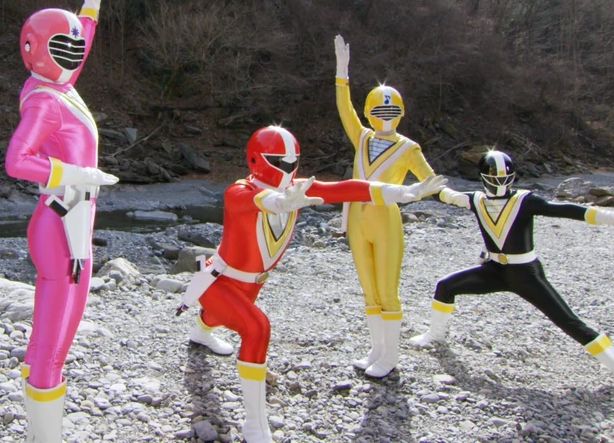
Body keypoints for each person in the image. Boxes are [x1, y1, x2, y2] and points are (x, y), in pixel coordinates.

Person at [178, 125, 446, 443]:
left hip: (251, 284)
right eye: (280, 161)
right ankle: (255, 427)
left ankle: (201, 331)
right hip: (219, 280)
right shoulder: (238, 192)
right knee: (256, 327)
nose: (288, 168)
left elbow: (347, 189)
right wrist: (283, 202)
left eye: (293, 162)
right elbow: (264, 201)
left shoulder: (298, 189)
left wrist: (402, 193)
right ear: (255, 160)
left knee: (218, 316)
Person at [410, 150, 614, 403]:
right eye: (495, 179)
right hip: (495, 270)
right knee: (445, 286)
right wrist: (423, 185)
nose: (500, 184)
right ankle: (435, 334)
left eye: (504, 179)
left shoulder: (524, 200)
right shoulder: (476, 200)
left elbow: (566, 210)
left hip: (526, 274)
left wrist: (612, 216)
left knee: (571, 323)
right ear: (483, 178)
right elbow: (447, 196)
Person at [4, 0, 118, 443]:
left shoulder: (59, 86)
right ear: (35, 49)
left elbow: (77, 47)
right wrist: (73, 172)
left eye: (73, 48)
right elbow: (16, 161)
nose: (73, 55)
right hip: (58, 222)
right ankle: (43, 430)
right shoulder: (46, 102)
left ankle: (40, 418)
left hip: (75, 222)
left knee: (60, 335)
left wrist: (92, 3)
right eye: (61, 47)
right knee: (53, 344)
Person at [333, 34, 441, 377]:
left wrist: (423, 193)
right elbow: (345, 110)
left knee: (387, 290)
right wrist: (341, 72)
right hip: (356, 220)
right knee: (368, 289)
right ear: (369, 112)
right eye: (378, 110)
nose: (384, 116)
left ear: (401, 113)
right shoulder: (362, 137)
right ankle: (377, 349)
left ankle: (391, 356)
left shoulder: (408, 148)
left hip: (386, 220)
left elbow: (429, 182)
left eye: (391, 110)